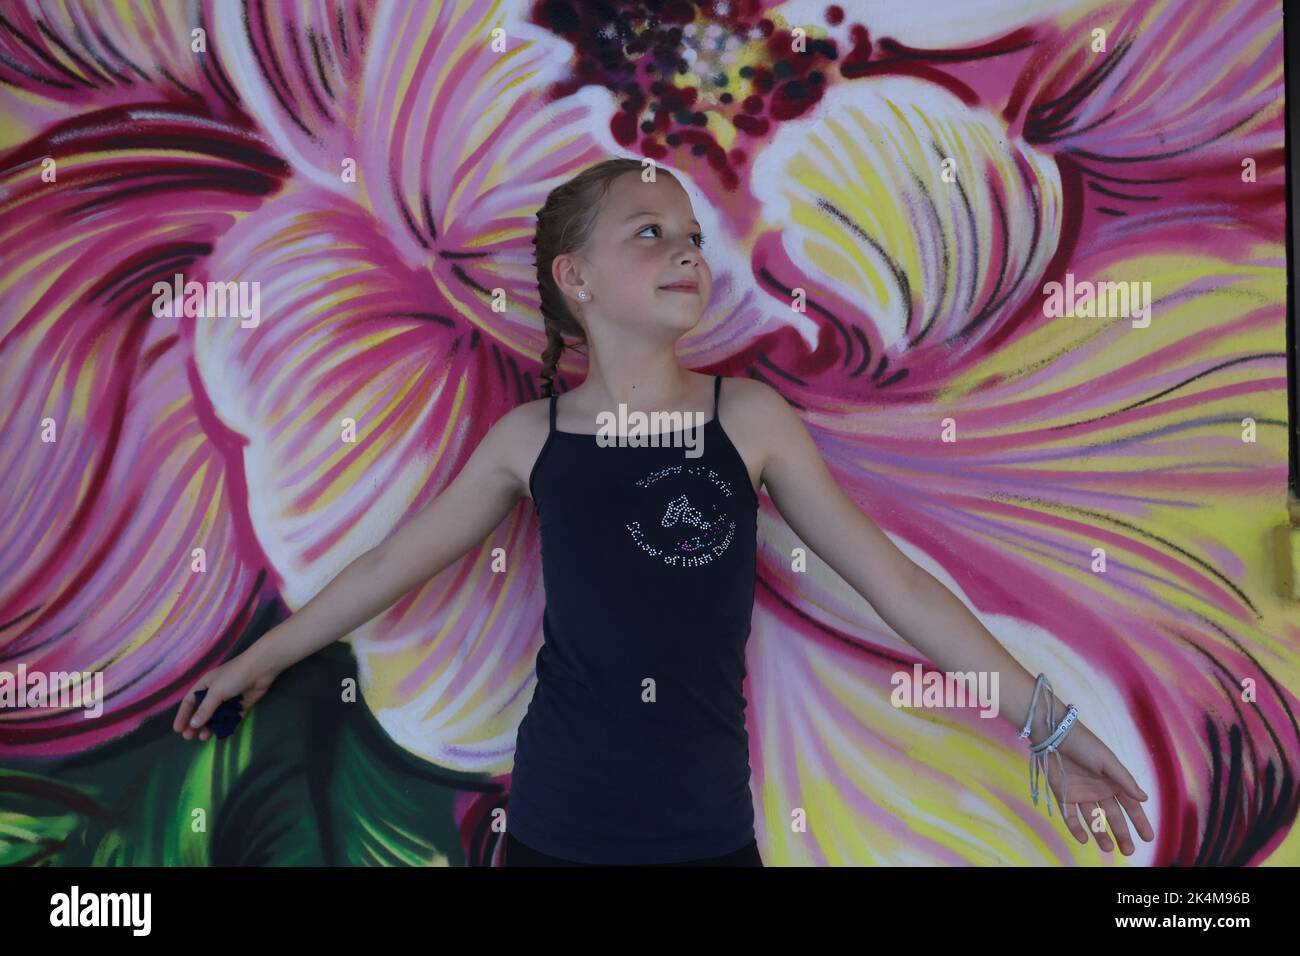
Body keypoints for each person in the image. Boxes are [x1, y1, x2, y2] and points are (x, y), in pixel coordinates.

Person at [174, 157, 1154, 866]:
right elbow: (390, 567)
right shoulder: (529, 438)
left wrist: (1049, 725)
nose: (686, 249)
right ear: (576, 277)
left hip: (707, 837)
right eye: (650, 232)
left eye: (691, 235)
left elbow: (897, 584)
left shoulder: (750, 418)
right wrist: (262, 657)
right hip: (556, 830)